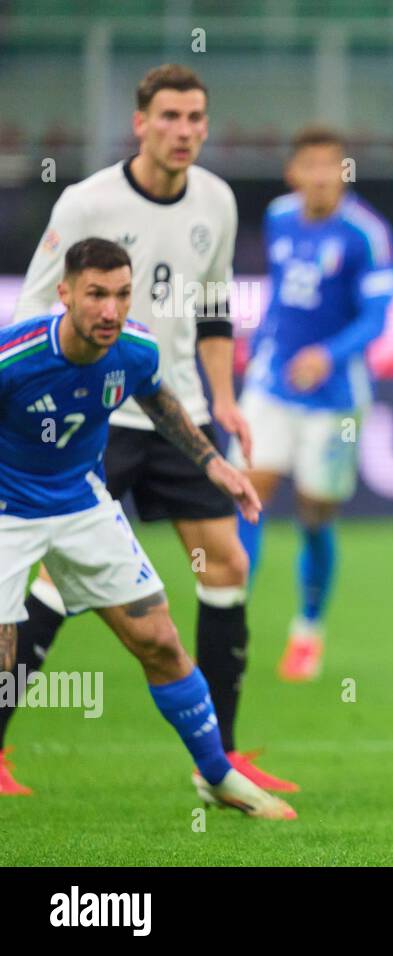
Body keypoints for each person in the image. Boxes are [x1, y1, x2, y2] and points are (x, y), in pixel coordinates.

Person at [3, 64, 297, 795]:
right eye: (169, 117)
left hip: (179, 408)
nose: (185, 131)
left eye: (196, 118)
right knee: (59, 585)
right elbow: (33, 313)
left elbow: (213, 308)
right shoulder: (87, 201)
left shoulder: (218, 202)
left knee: (226, 564)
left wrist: (225, 399)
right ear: (140, 123)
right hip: (96, 415)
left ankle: (218, 761)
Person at [231, 126, 393, 682]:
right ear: (294, 172)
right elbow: (281, 293)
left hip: (334, 399)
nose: (324, 175)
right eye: (313, 165)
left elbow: (375, 319)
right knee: (249, 495)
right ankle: (229, 618)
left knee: (314, 514)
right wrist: (260, 348)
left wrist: (327, 355)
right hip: (272, 384)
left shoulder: (367, 235)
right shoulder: (280, 217)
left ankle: (307, 629)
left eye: (333, 165)